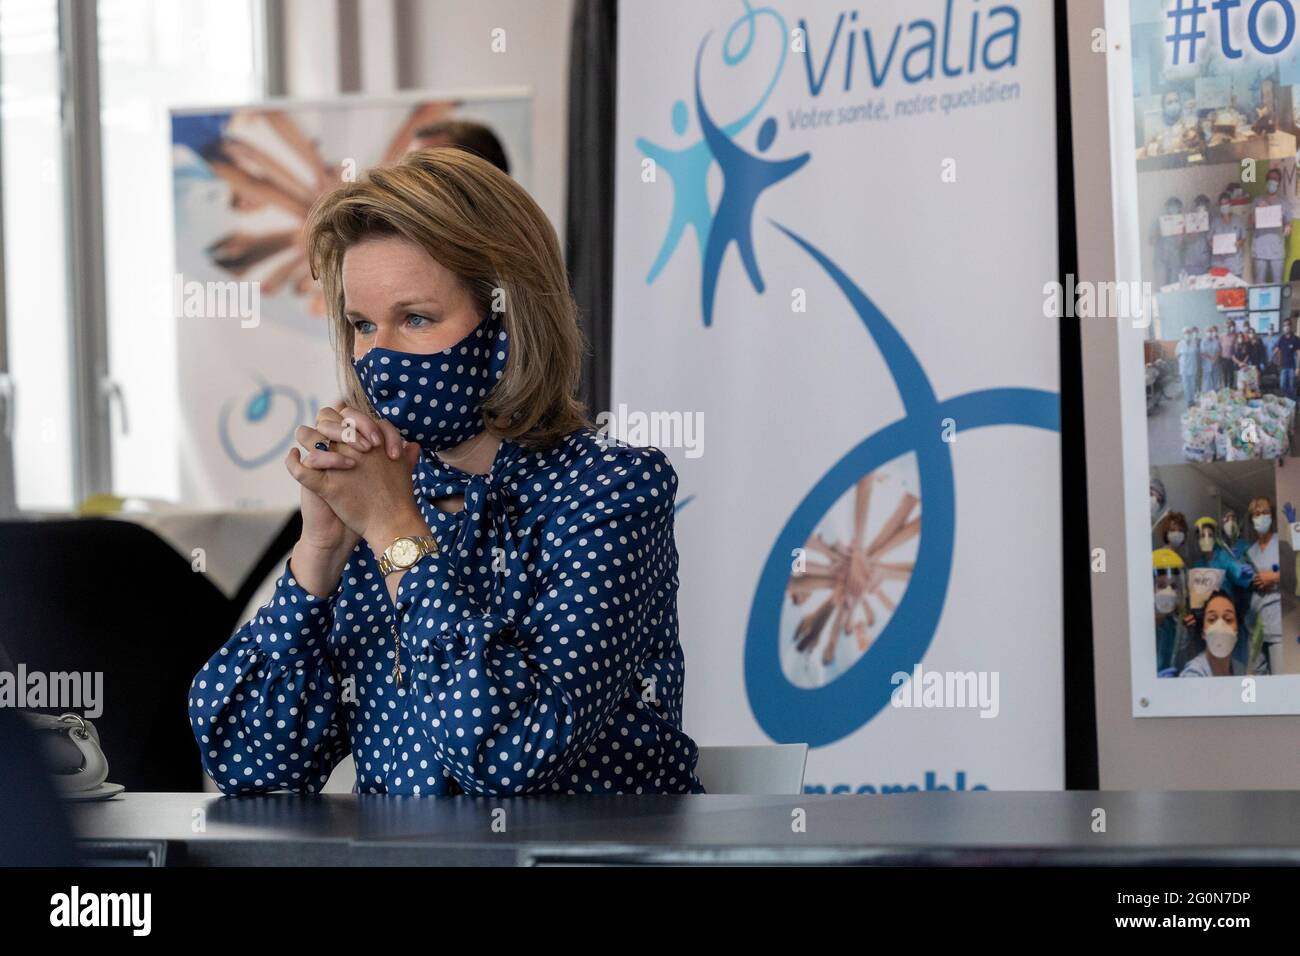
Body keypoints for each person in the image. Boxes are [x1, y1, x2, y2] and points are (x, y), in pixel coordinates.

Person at [187, 148, 704, 796]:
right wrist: (318, 555)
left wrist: (397, 533)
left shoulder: (611, 491)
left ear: (508, 318)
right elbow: (251, 767)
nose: (377, 356)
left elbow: (511, 757)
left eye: (416, 319)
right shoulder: (384, 497)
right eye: (361, 324)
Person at [1245, 496, 1282, 675]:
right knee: (1258, 680)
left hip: (1278, 625)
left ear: (1272, 516)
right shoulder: (1249, 552)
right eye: (1256, 514)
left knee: (1281, 675)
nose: (1260, 517)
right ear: (1251, 519)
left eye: (1265, 513)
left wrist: (1274, 577)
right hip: (1255, 626)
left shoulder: (1282, 543)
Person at [1180, 591, 1246, 677]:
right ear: (1203, 633)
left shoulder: (1241, 670)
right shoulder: (1193, 674)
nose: (1220, 627)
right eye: (1212, 619)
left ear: (1237, 633)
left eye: (1228, 619)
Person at [1252, 168, 1292, 284]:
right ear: (1266, 181)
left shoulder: (1284, 203)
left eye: (1275, 179)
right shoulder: (1257, 200)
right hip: (1260, 249)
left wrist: (1287, 228)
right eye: (1270, 178)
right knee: (1259, 283)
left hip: (1276, 249)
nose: (1272, 181)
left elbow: (1288, 225)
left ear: (1278, 183)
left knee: (1277, 283)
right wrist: (1259, 210)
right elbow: (1251, 221)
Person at [1153, 548, 1189, 674]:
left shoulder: (1173, 627)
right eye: (1161, 585)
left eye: (1173, 586)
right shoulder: (1137, 628)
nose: (1168, 592)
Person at [1209, 191, 1246, 278]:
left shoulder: (1238, 220)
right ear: (1219, 206)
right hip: (1219, 263)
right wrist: (1213, 244)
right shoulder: (1215, 221)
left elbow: (1244, 238)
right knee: (1220, 290)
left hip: (1234, 263)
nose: (1224, 206)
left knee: (1236, 289)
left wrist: (1239, 243)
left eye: (1226, 203)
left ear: (1230, 204)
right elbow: (1209, 239)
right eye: (1222, 204)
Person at [1153, 195, 1186, 286]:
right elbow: (1152, 240)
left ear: (1179, 208)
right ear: (1167, 208)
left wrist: (1181, 235)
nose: (1173, 209)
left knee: (1174, 285)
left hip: (1175, 259)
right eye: (1171, 207)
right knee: (1161, 285)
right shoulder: (1159, 221)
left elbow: (1182, 245)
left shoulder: (1182, 222)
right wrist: (1159, 232)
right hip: (1161, 259)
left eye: (1176, 207)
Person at [1183, 194, 1213, 275]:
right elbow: (1183, 240)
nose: (1202, 207)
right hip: (1191, 262)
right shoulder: (1189, 219)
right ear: (1196, 206)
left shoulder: (1211, 219)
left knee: (1204, 285)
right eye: (1199, 205)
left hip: (1205, 262)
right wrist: (1191, 235)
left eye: (1204, 205)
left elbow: (1212, 240)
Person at [1276, 316, 1300, 399]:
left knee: (1292, 386)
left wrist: (1298, 367)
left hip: (1292, 367)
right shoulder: (1281, 339)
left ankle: (1292, 404)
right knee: (1282, 385)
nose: (1286, 327)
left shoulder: (1296, 339)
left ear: (1291, 326)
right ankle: (1287, 400)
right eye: (1284, 325)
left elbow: (1298, 354)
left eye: (1288, 325)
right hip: (1283, 367)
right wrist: (1277, 360)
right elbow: (1278, 350)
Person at [1176, 326, 1200, 403]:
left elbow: (1196, 354)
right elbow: (1177, 355)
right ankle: (1188, 401)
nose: (1188, 335)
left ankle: (1193, 400)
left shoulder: (1194, 343)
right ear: (1183, 334)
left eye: (1189, 333)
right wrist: (1182, 363)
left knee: (1193, 385)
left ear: (1191, 334)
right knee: (1186, 386)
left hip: (1192, 367)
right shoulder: (1180, 344)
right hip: (1184, 368)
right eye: (1186, 333)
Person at [1200, 324, 1221, 391]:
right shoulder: (1203, 341)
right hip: (1207, 364)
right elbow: (1203, 352)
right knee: (1207, 382)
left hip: (1215, 363)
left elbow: (1218, 350)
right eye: (1208, 331)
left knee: (1216, 380)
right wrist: (1211, 359)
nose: (1210, 333)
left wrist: (1215, 358)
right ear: (1205, 332)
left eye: (1211, 331)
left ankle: (1216, 394)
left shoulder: (1215, 340)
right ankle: (1207, 396)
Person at [1218, 322, 1237, 389]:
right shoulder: (1221, 336)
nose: (1227, 329)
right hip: (1223, 359)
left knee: (1231, 375)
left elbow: (1235, 348)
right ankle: (1225, 390)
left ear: (1230, 328)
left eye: (1228, 327)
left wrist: (1235, 360)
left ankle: (1231, 389)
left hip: (1231, 359)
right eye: (1226, 327)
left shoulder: (1233, 336)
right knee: (1224, 375)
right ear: (1224, 328)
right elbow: (1219, 348)